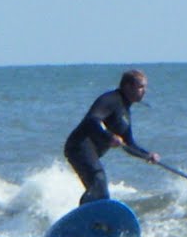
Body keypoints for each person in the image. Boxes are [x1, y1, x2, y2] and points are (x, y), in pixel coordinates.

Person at [63, 69, 159, 205]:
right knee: (99, 182)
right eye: (141, 87)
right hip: (78, 145)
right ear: (128, 86)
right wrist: (109, 136)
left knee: (100, 191)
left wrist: (147, 155)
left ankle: (94, 219)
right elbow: (92, 119)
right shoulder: (111, 99)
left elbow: (129, 144)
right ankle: (84, 216)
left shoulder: (125, 112)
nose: (144, 91)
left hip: (89, 152)